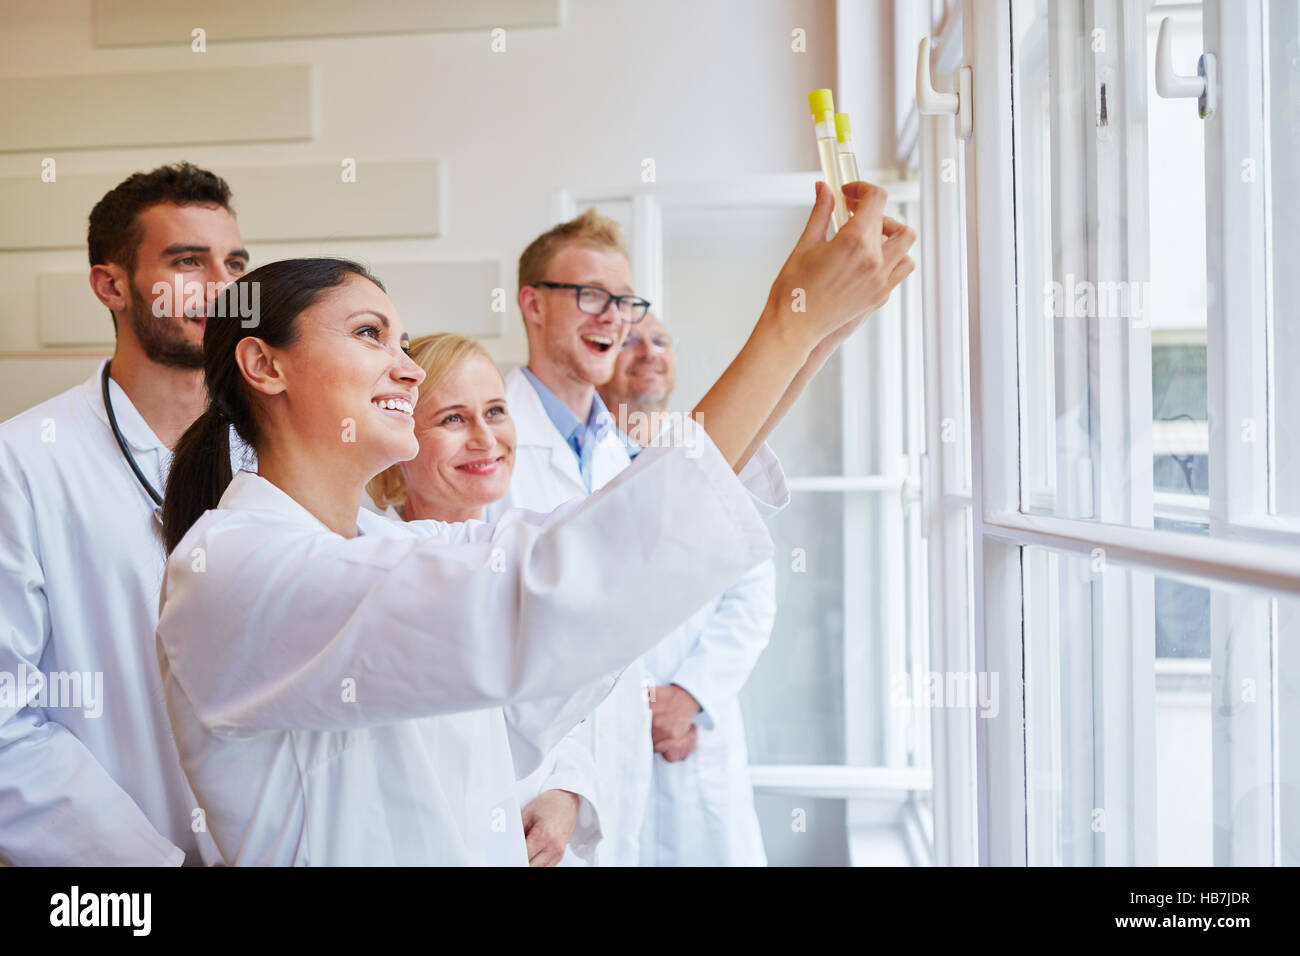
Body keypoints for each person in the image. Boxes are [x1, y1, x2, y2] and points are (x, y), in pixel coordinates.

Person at [156, 179, 914, 865]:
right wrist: (788, 322)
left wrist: (816, 335)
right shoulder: (234, 573)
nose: (409, 368)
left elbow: (559, 647)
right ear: (265, 366)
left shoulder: (400, 543)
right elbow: (552, 589)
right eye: (368, 335)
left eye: (401, 341)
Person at [486, 189, 914, 864]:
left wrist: (824, 326)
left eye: (625, 302)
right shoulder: (490, 436)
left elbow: (707, 500)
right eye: (590, 295)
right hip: (532, 790)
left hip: (616, 776)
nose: (617, 320)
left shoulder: (612, 449)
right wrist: (800, 319)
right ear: (533, 304)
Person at [0, 163, 249, 866]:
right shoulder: (22, 464)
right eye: (187, 262)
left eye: (234, 263)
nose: (224, 288)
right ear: (112, 285)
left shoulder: (280, 453)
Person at [367, 333, 602, 867]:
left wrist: (566, 792)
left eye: (495, 411)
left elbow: (570, 708)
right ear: (399, 438)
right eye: (452, 419)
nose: (485, 438)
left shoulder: (527, 551)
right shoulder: (372, 568)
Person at [598, 314, 774, 866]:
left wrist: (688, 697)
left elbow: (751, 593)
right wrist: (639, 705)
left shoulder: (708, 459)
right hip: (607, 727)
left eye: (659, 340)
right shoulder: (581, 465)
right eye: (628, 341)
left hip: (697, 732)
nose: (647, 351)